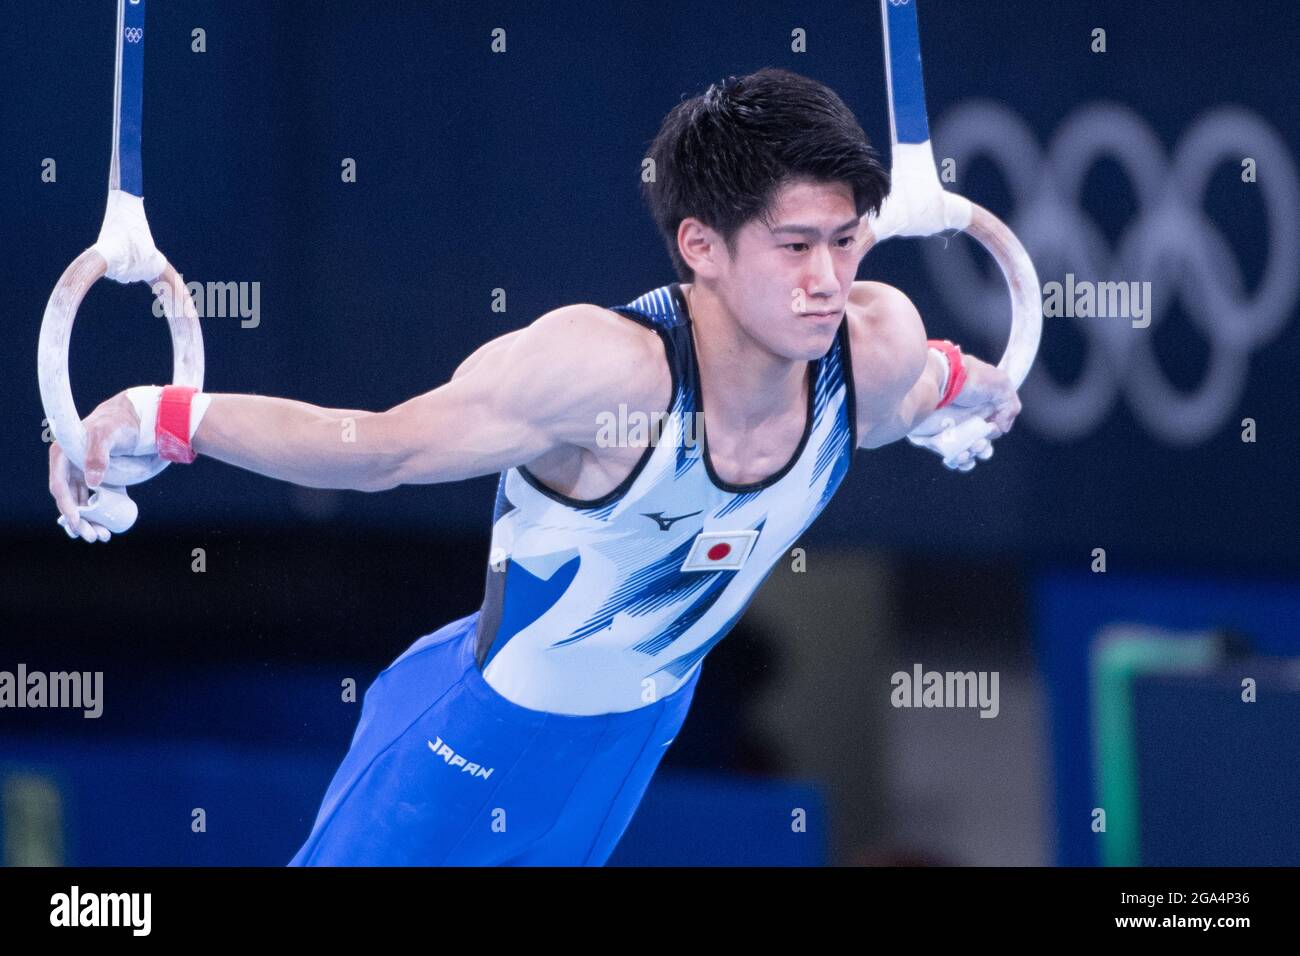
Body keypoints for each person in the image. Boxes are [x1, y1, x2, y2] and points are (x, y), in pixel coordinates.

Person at [47, 68, 1020, 865]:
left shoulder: (875, 353)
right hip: (466, 735)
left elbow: (934, 389)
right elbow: (380, 448)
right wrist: (164, 413)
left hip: (625, 749)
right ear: (701, 247)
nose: (826, 280)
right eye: (795, 245)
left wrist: (962, 397)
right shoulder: (605, 375)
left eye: (846, 241)